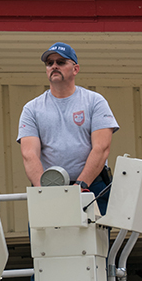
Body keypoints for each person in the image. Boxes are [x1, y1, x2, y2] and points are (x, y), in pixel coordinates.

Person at [17, 42, 119, 211]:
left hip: (91, 188)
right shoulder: (32, 108)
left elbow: (102, 148)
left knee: (91, 238)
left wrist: (80, 186)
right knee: (45, 237)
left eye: (61, 62)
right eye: (50, 63)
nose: (54, 66)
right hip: (49, 190)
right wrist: (44, 191)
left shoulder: (95, 101)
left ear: (75, 69)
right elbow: (29, 154)